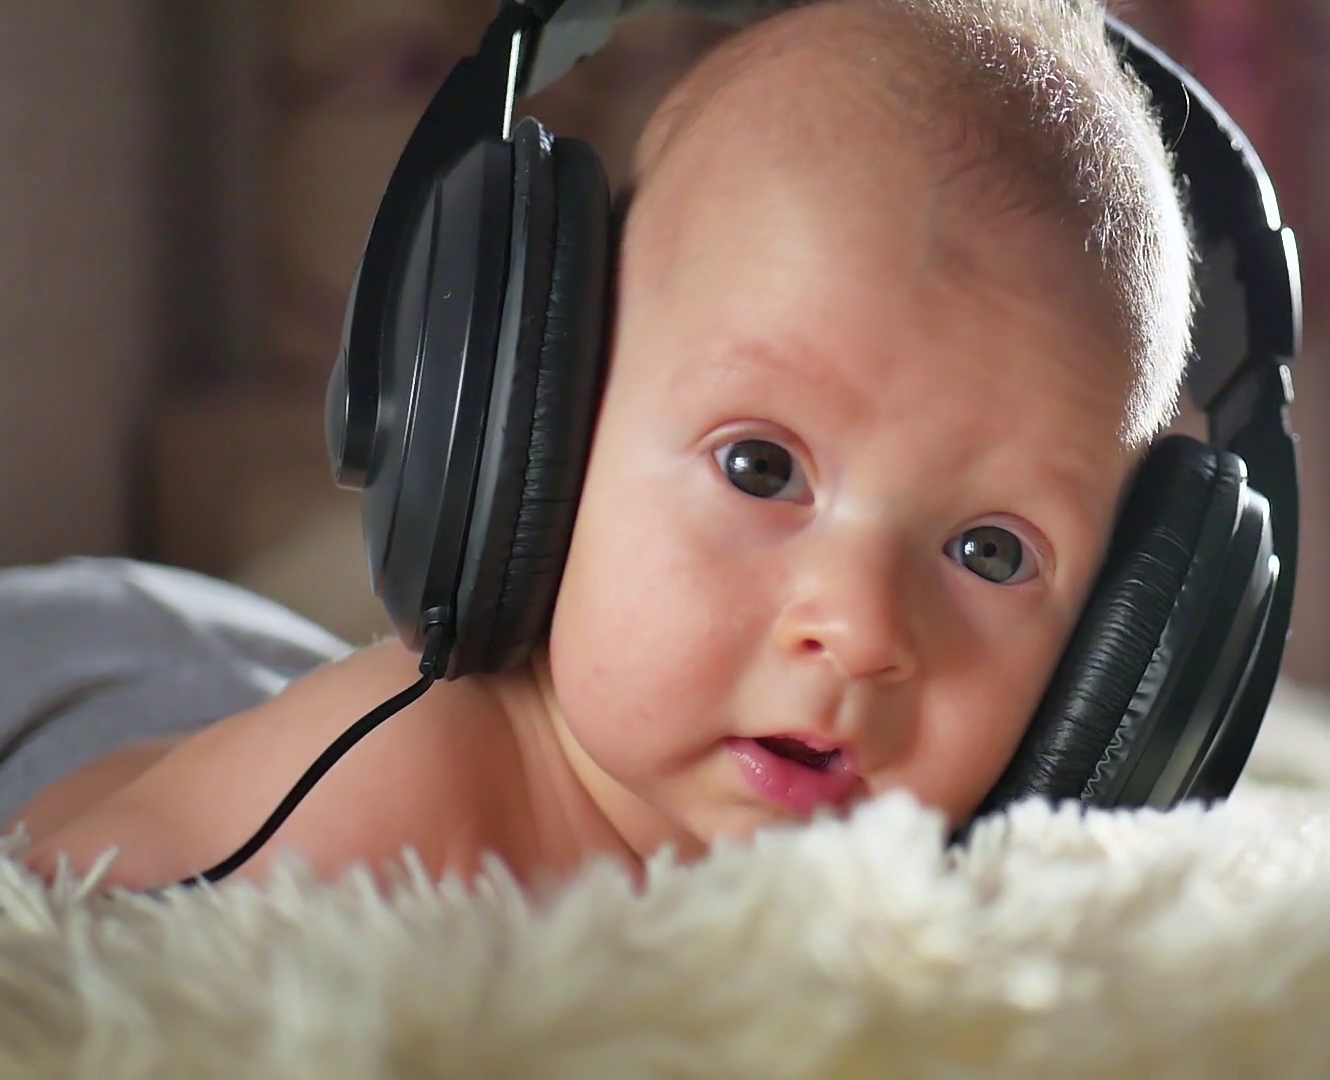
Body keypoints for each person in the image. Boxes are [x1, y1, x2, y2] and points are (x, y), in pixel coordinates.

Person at [8, 0, 1204, 893]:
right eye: (761, 468)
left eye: (991, 551)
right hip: (75, 671)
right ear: (543, 427)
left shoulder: (948, 904)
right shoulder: (381, 814)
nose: (863, 629)